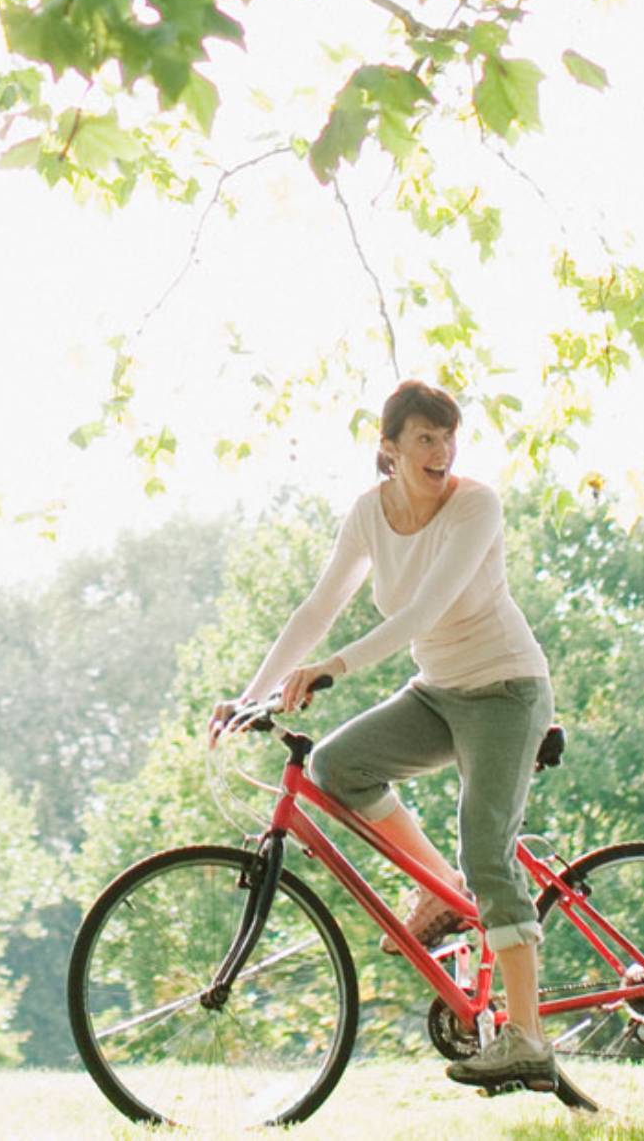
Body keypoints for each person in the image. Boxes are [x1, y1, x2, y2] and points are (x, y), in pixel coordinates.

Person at [225, 377, 559, 1091]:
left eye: (449, 438)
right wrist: (249, 696)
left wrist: (334, 669)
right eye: (426, 439)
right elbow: (319, 608)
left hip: (506, 691)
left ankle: (529, 1038)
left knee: (487, 847)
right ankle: (440, 890)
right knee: (338, 766)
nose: (443, 452)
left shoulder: (475, 505)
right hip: (438, 694)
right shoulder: (369, 516)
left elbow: (425, 611)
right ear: (390, 449)